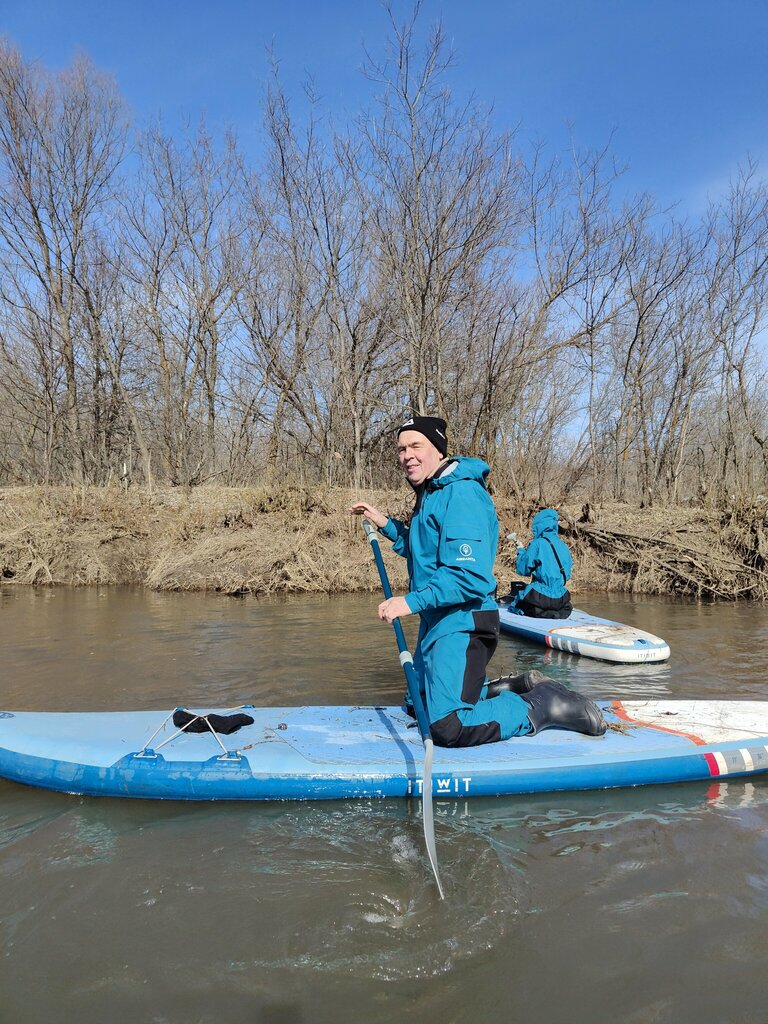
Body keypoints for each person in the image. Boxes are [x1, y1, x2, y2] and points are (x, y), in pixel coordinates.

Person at [349, 416, 604, 747]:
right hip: (439, 618)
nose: (407, 455)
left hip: (464, 621)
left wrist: (408, 602)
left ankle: (540, 705)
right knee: (417, 704)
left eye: (416, 446)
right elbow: (422, 548)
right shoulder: (433, 492)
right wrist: (383, 522)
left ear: (438, 451)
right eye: (401, 448)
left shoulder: (462, 494)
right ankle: (505, 687)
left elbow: (468, 576)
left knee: (446, 727)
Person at [507, 508, 573, 619]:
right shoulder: (564, 546)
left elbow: (522, 569)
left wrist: (520, 549)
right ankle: (554, 613)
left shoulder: (537, 544)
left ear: (539, 525)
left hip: (539, 597)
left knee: (516, 605)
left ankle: (543, 612)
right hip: (561, 598)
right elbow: (567, 575)